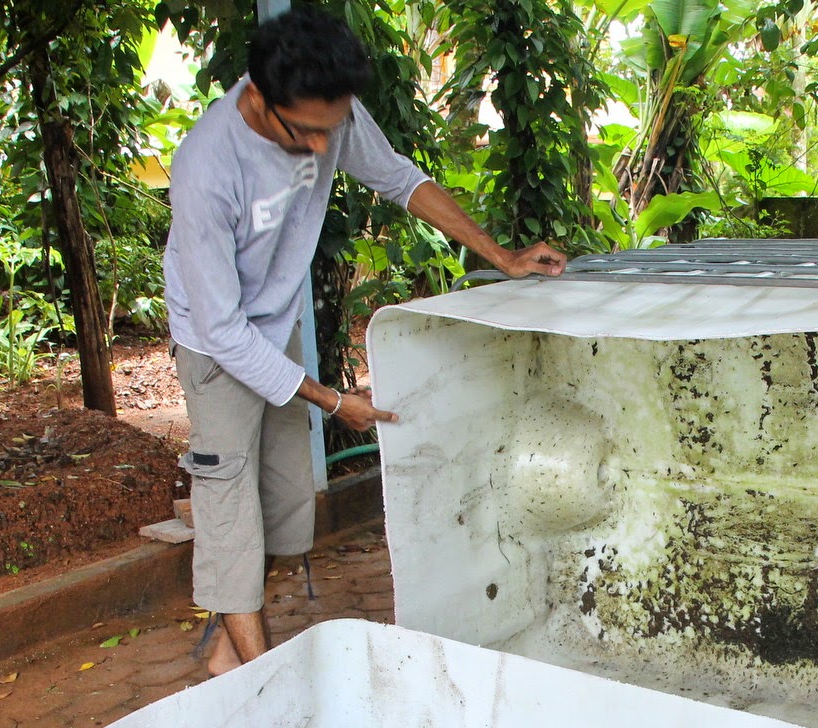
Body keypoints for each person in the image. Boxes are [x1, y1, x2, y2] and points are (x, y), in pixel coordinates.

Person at [164, 5, 564, 675]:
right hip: (215, 343)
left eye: (333, 130)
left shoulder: (329, 112)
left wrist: (500, 256)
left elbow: (401, 179)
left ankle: (226, 634)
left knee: (282, 502)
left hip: (272, 327)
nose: (324, 149)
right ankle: (254, 679)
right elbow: (223, 329)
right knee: (228, 496)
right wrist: (330, 401)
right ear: (258, 98)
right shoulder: (206, 168)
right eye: (307, 134)